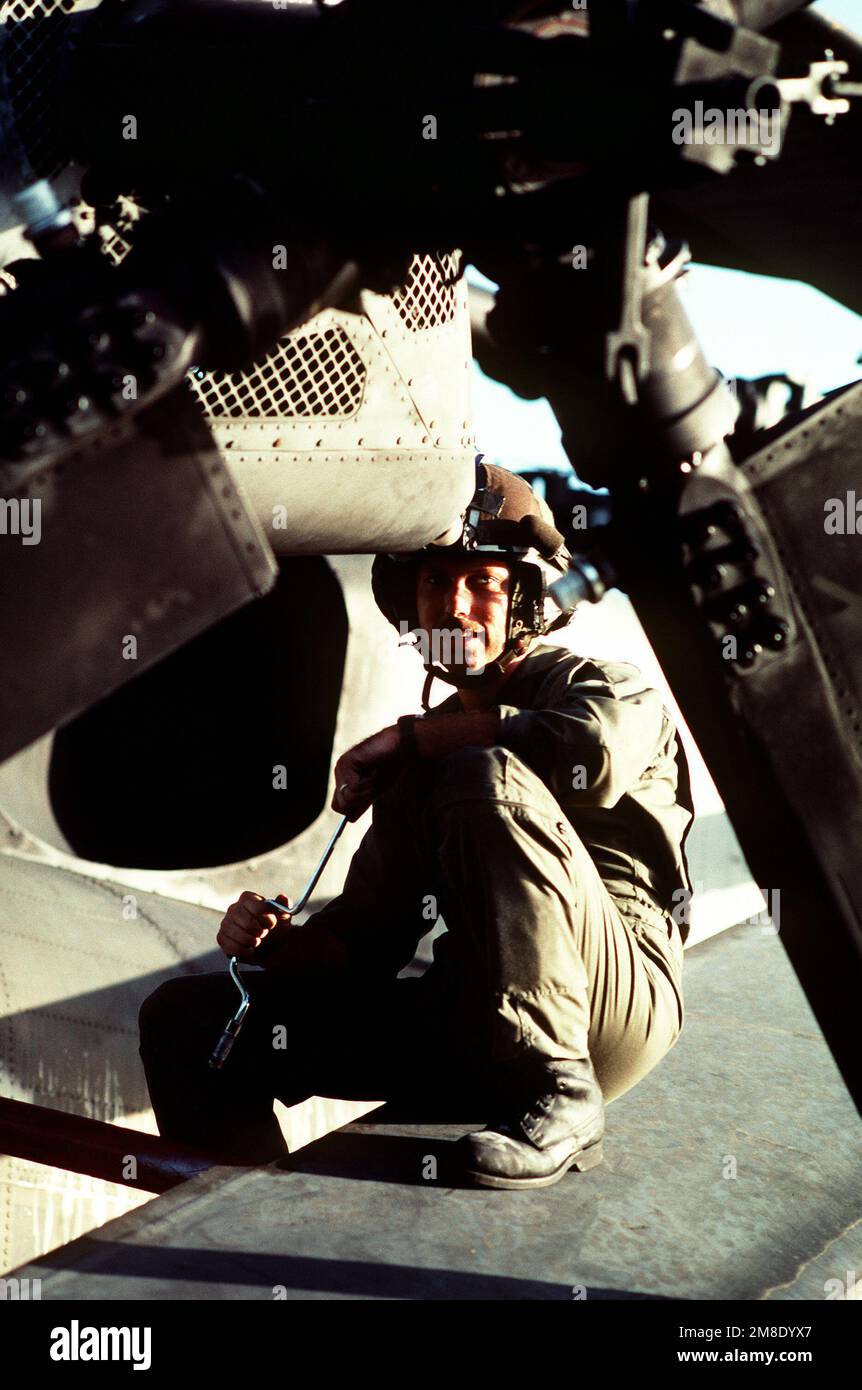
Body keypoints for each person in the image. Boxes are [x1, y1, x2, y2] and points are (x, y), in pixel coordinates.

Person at [139, 459, 694, 1190]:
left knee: (483, 773)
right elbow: (366, 944)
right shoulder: (430, 750)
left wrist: (418, 742)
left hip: (609, 1010)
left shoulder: (599, 688)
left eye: (482, 582)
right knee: (191, 1020)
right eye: (434, 581)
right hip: (476, 1014)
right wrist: (286, 945)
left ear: (526, 601)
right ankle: (258, 1227)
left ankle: (559, 1095)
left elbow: (590, 754)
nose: (452, 605)